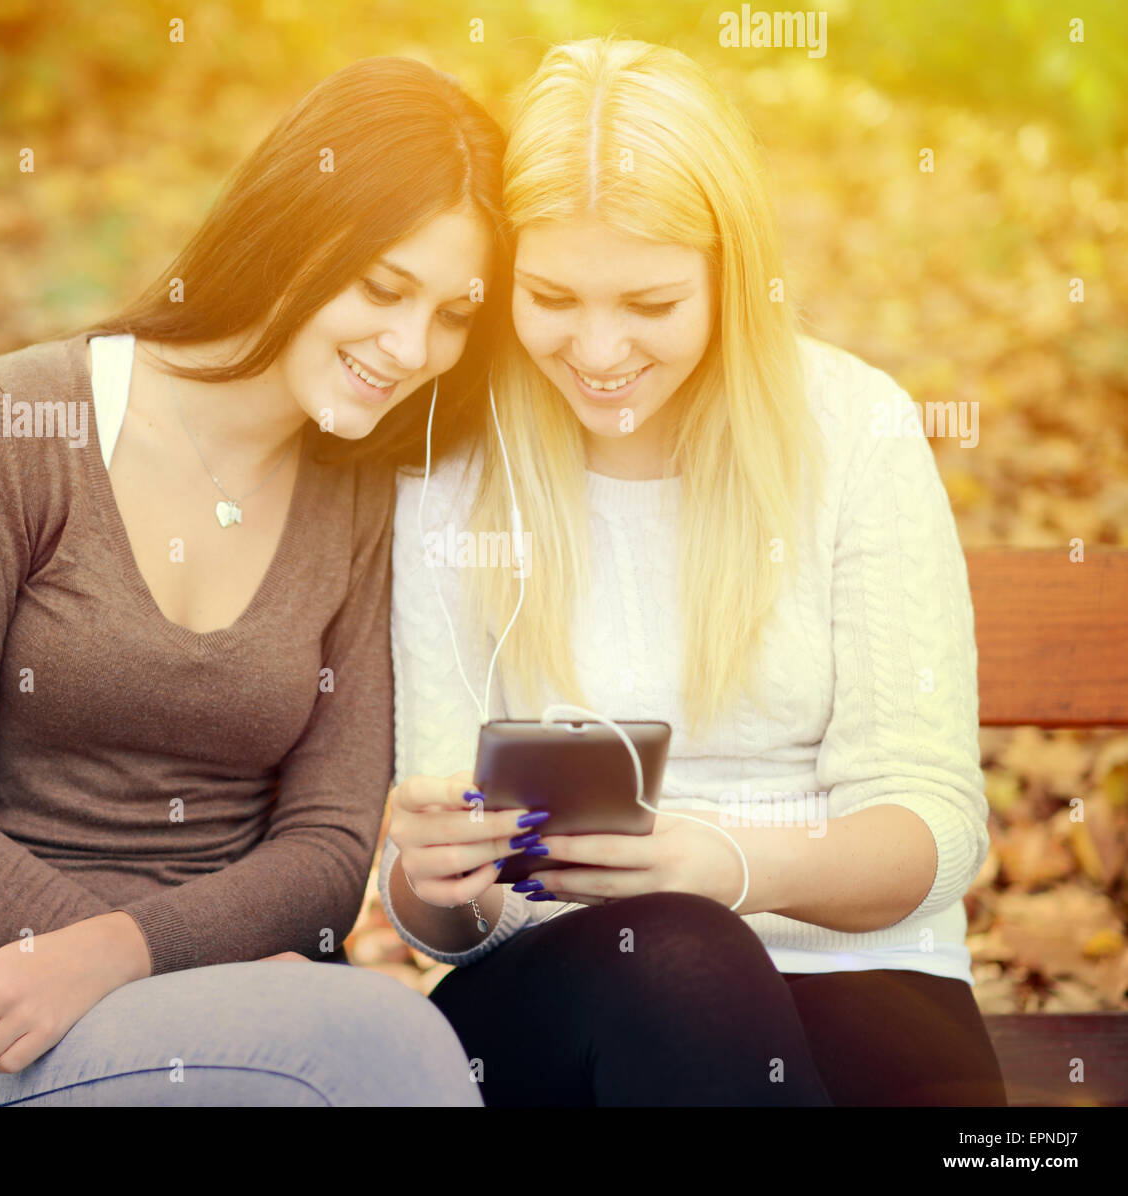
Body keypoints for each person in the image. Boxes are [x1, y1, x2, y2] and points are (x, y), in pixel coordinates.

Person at [0, 55, 507, 1107]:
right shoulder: (15, 426)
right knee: (386, 1045)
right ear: (296, 224)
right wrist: (110, 955)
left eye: (451, 314)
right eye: (384, 288)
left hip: (271, 1019)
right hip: (11, 1016)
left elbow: (328, 849)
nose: (409, 346)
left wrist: (145, 955)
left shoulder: (363, 493)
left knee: (378, 1045)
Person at [379, 36, 1007, 1107]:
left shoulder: (853, 430)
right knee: (676, 956)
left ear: (732, 278)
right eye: (551, 297)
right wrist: (429, 886)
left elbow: (935, 826)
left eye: (651, 304)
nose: (596, 347)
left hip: (862, 971)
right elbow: (450, 917)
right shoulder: (453, 468)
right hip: (562, 994)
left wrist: (729, 867)